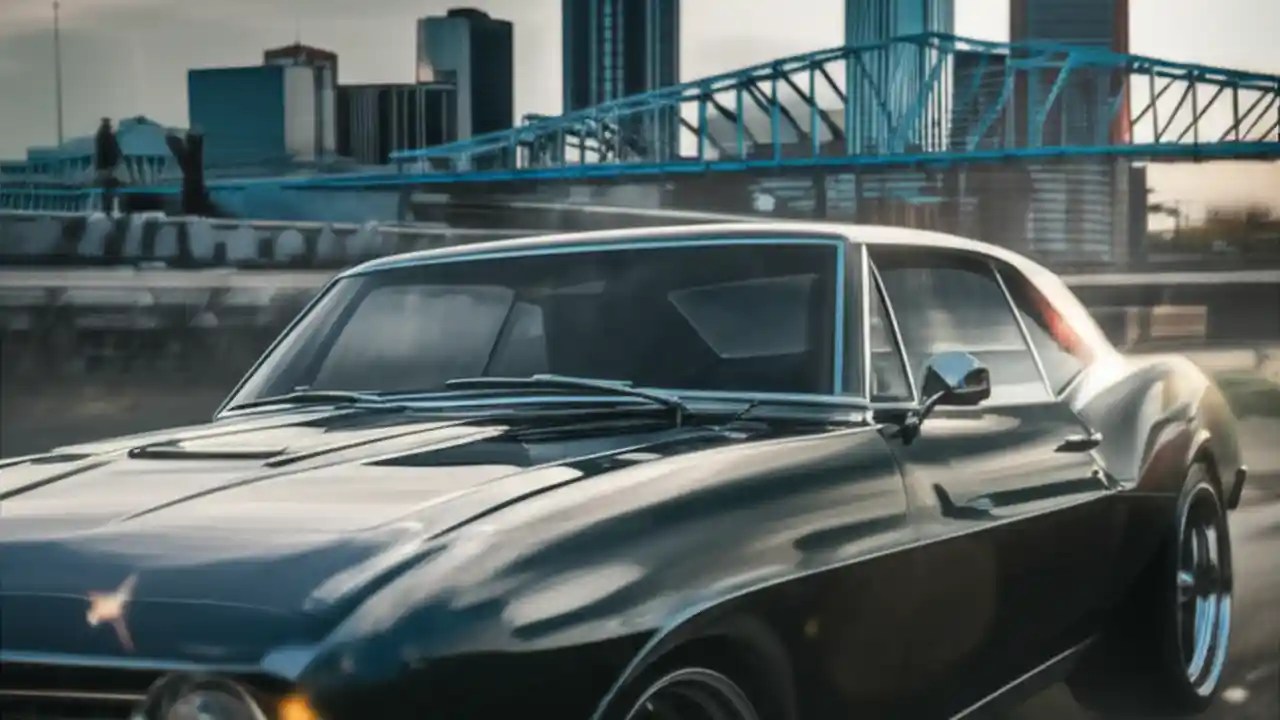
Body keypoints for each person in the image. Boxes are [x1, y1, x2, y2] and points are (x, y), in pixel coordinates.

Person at [94, 118, 123, 213]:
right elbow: (112, 151)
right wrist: (113, 163)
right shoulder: (108, 136)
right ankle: (109, 210)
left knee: (105, 190)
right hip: (108, 167)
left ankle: (106, 209)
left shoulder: (99, 135)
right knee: (110, 189)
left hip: (102, 167)